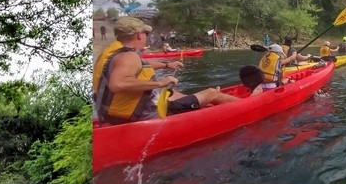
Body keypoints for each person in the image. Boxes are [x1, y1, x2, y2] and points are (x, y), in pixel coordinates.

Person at [93, 17, 239, 124]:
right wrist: (161, 82)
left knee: (174, 94)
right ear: (139, 34)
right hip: (142, 116)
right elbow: (117, 84)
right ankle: (247, 105)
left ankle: (201, 107)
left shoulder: (112, 53)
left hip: (112, 118)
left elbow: (140, 65)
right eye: (145, 33)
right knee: (212, 93)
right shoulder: (129, 56)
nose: (146, 36)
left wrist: (167, 65)